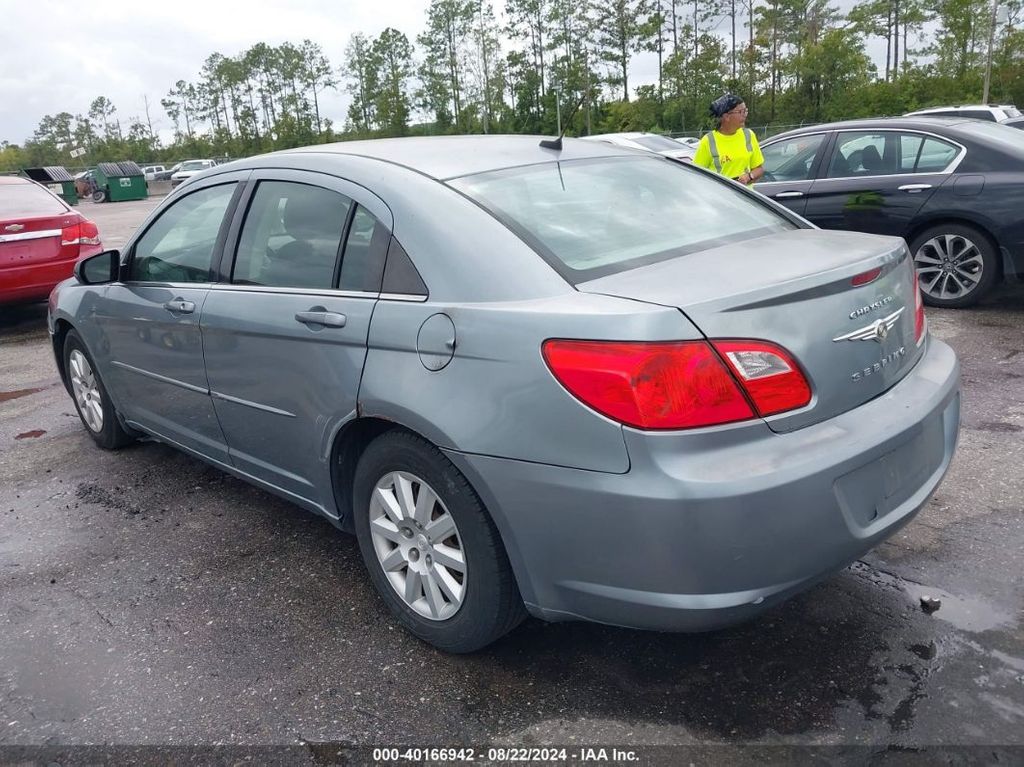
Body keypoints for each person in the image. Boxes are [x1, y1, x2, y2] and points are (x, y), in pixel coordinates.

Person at [693, 93, 765, 187]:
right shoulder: (708, 141)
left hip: (745, 198)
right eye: (740, 112)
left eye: (745, 111)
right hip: (721, 198)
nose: (745, 115)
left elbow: (759, 169)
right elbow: (696, 175)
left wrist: (749, 177)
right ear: (726, 116)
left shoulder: (748, 135)